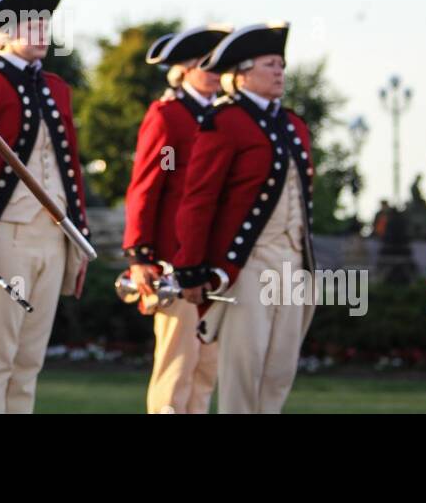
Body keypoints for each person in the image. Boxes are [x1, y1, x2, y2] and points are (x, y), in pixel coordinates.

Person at [0, 0, 90, 413]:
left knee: (29, 360)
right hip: (4, 235)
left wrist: (79, 235)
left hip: (52, 235)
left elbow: (70, 165)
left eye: (44, 24)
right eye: (30, 25)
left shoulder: (55, 87)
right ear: (1, 34)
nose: (41, 32)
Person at [172, 22, 316, 414]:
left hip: (292, 264)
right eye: (270, 64)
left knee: (279, 372)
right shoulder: (225, 121)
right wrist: (191, 267)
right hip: (247, 265)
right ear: (243, 73)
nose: (279, 72)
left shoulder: (293, 126)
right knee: (243, 370)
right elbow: (199, 199)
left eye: (282, 65)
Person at [122, 25, 228, 414]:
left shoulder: (224, 117)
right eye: (206, 63)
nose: (215, 71)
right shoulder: (169, 117)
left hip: (213, 261)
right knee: (176, 366)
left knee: (205, 370)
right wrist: (139, 254)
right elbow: (148, 185)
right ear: (182, 70)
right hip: (175, 257)